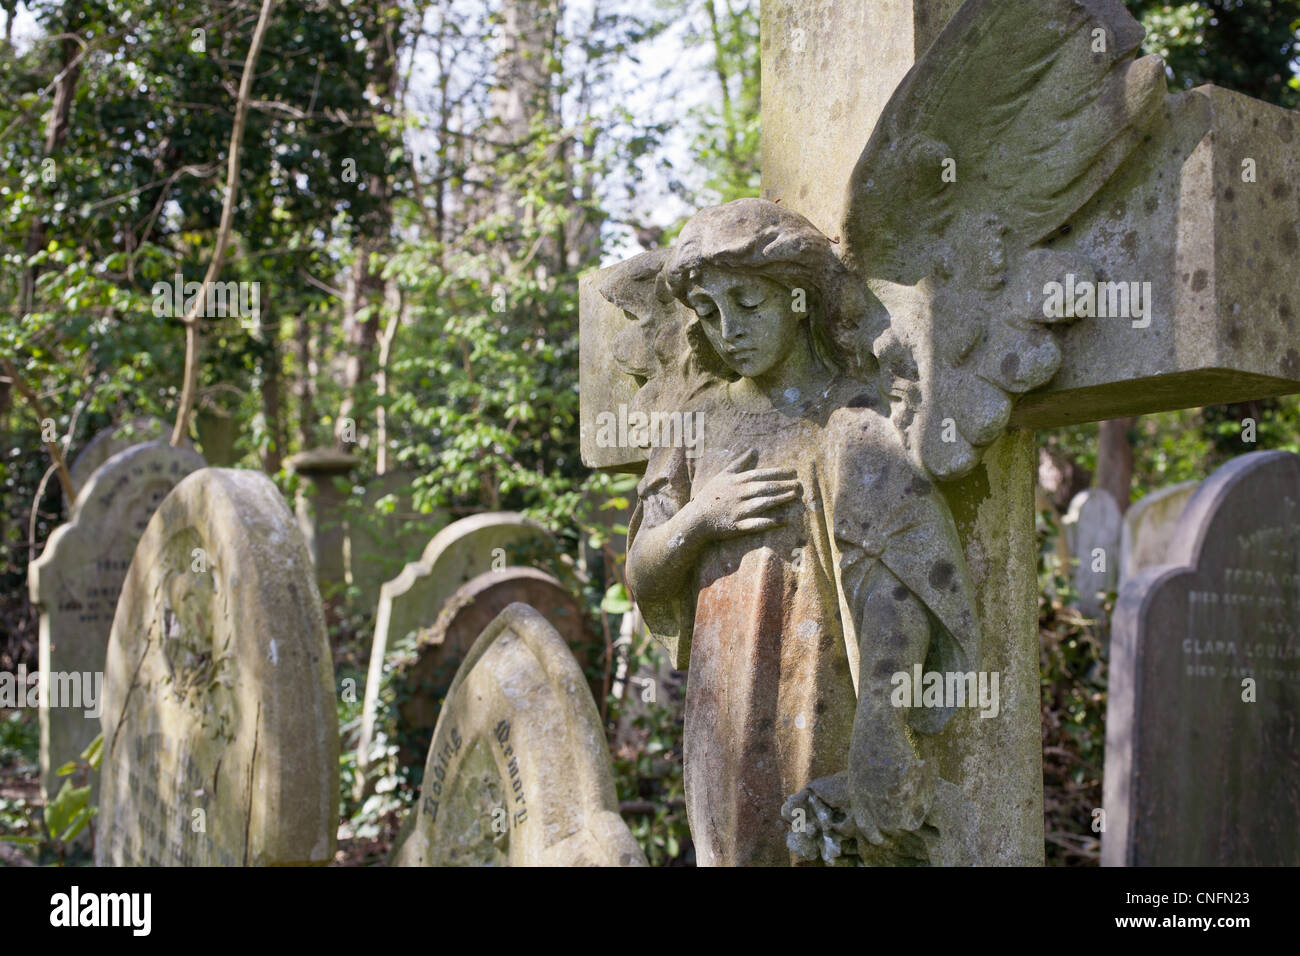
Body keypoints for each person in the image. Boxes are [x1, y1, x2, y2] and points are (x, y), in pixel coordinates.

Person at [624, 199, 980, 865]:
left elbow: (901, 585)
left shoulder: (855, 424)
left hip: (819, 695)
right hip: (719, 709)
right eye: (708, 312)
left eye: (747, 303)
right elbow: (643, 571)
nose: (728, 329)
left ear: (796, 298)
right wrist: (701, 519)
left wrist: (882, 714)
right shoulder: (694, 426)